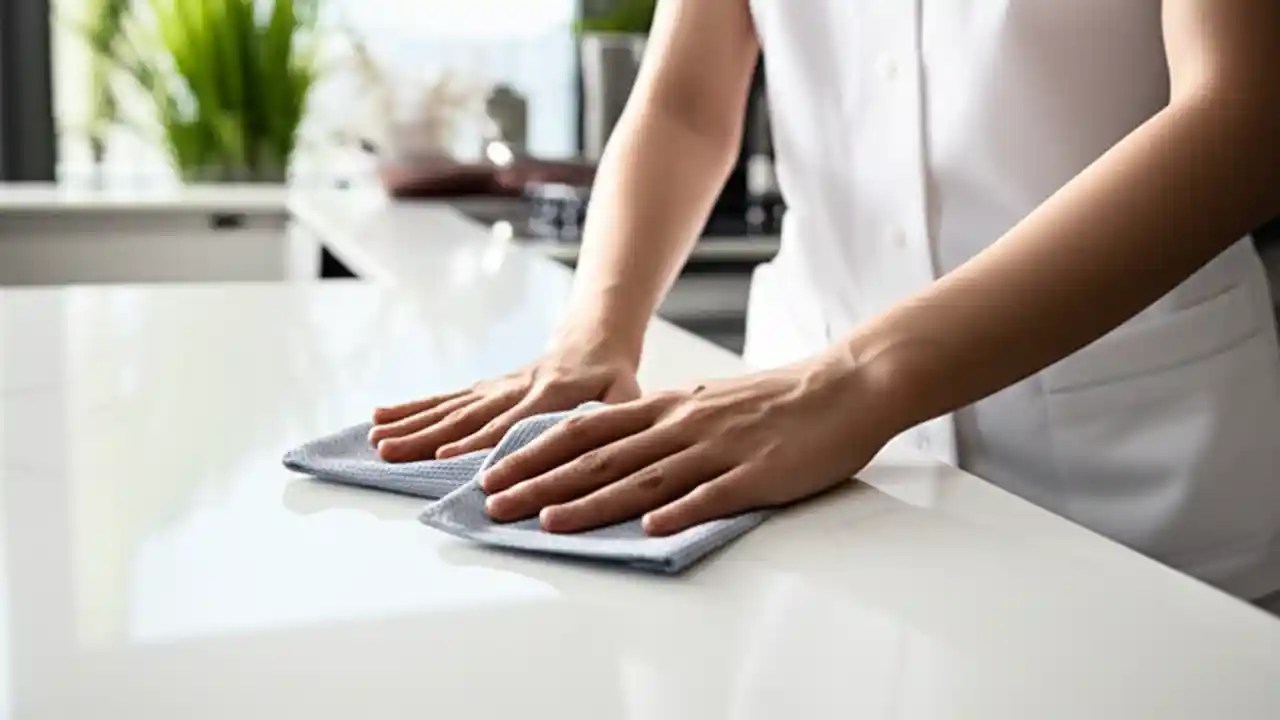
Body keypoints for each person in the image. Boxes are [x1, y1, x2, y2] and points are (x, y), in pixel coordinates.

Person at [370, 1, 1280, 608]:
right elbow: (687, 100)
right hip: (799, 471)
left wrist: (856, 380)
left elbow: (1246, 114)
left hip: (1129, 481)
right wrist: (592, 333)